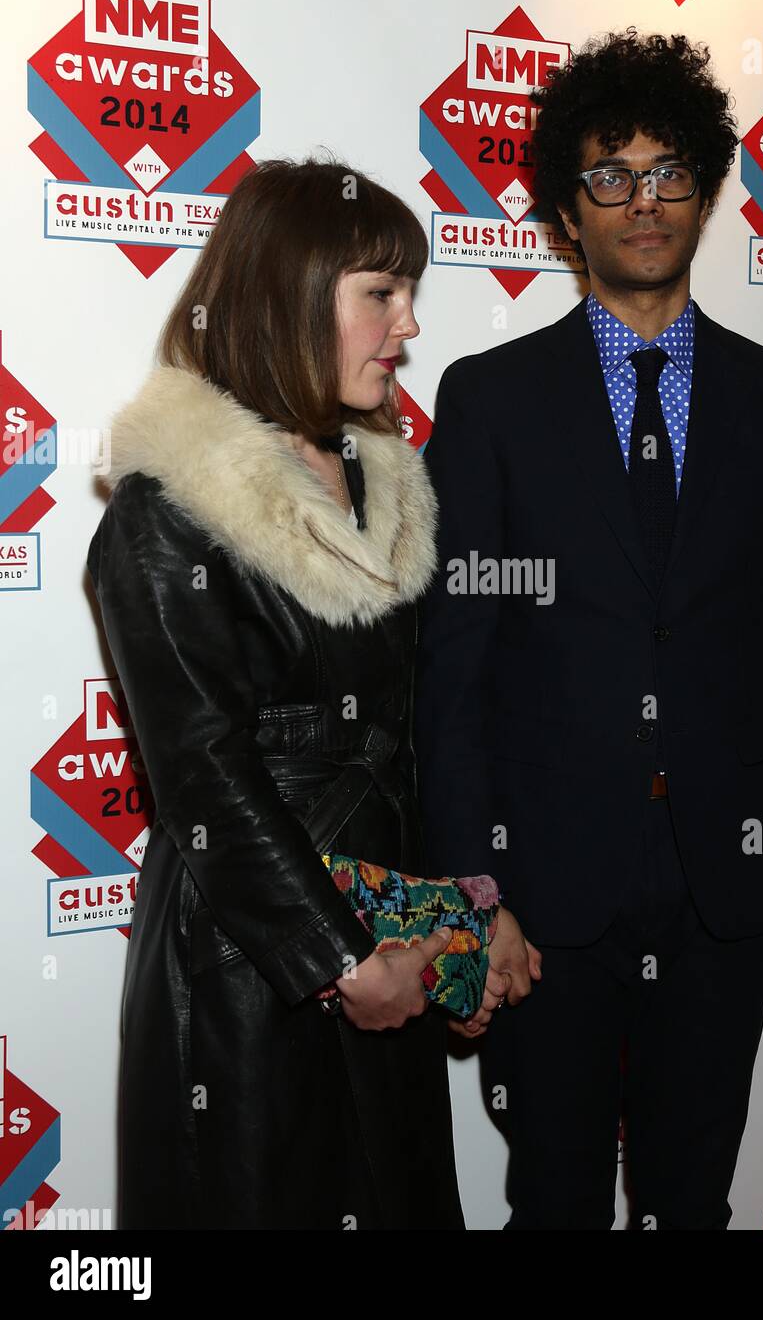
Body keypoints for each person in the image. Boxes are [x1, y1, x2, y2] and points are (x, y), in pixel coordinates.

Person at [414, 29, 763, 1229]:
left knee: (690, 1192)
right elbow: (455, 667)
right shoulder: (491, 400)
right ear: (564, 211)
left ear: (706, 186)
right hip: (544, 885)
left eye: (667, 171)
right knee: (551, 1195)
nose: (641, 201)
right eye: (609, 175)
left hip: (723, 870)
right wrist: (473, 884)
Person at [86, 156, 500, 1230]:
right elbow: (204, 775)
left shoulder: (385, 485)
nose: (407, 325)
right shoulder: (166, 508)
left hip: (389, 951)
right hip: (249, 972)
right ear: (287, 292)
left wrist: (467, 919)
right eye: (381, 293)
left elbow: (416, 740)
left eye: (408, 294)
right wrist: (337, 956)